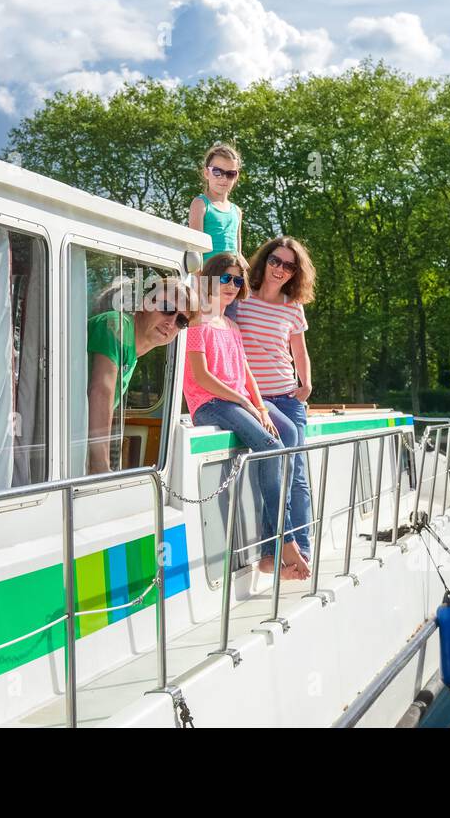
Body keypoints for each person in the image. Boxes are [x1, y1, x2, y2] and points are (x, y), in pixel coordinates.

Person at [183, 253, 309, 580]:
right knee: (270, 446)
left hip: (238, 402)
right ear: (211, 279)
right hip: (212, 403)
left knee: (286, 440)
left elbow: (247, 373)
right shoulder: (198, 322)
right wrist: (248, 404)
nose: (232, 286)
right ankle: (285, 540)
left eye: (238, 281)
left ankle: (270, 552)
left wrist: (263, 407)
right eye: (226, 278)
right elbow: (202, 376)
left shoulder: (231, 324)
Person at [236, 237, 317, 563]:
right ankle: (276, 550)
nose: (280, 269)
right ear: (264, 261)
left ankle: (303, 549)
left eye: (289, 265)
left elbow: (299, 351)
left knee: (297, 473)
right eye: (275, 261)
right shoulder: (240, 299)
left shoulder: (292, 307)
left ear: (295, 272)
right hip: (257, 398)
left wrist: (306, 383)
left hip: (288, 396)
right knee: (281, 461)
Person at [87, 276, 198, 474]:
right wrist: (100, 465)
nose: (171, 322)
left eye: (181, 321)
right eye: (167, 308)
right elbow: (101, 392)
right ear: (144, 304)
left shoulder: (131, 350)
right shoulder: (117, 325)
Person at [188, 143, 244, 265]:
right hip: (209, 278)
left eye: (230, 174)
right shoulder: (201, 204)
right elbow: (195, 251)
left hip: (231, 280)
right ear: (206, 173)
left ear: (236, 176)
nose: (224, 178)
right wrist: (202, 283)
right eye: (217, 172)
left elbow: (238, 254)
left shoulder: (237, 211)